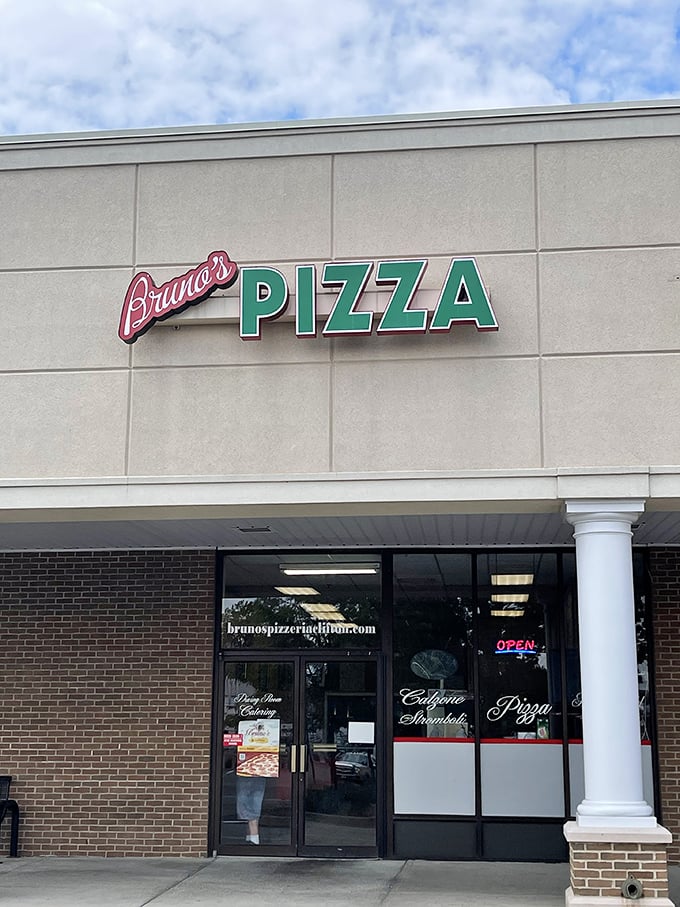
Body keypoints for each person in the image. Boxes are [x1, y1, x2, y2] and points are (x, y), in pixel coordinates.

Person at [236, 775, 266, 844]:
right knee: (252, 810)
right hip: (256, 775)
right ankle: (251, 839)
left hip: (250, 775)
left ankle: (253, 840)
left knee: (252, 810)